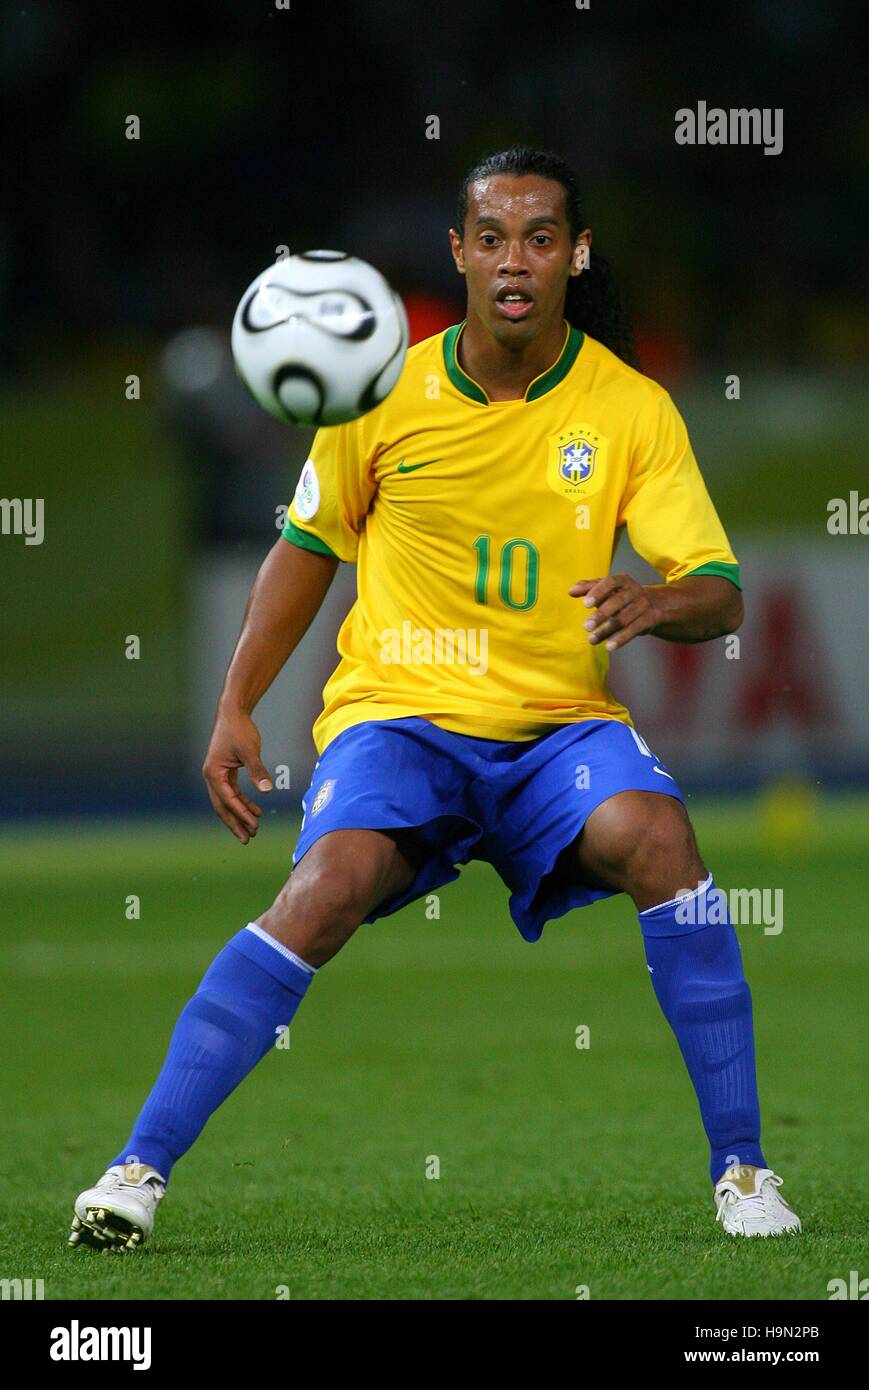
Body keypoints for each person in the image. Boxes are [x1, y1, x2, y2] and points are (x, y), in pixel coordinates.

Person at [70, 145, 800, 1252]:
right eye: (492, 238)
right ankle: (136, 1169)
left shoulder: (630, 407)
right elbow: (305, 550)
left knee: (658, 836)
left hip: (557, 733)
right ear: (458, 251)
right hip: (398, 719)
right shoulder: (381, 393)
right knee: (324, 887)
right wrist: (236, 705)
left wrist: (656, 603)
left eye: (541, 238)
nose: (515, 261)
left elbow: (721, 592)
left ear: (575, 253)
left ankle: (743, 1169)